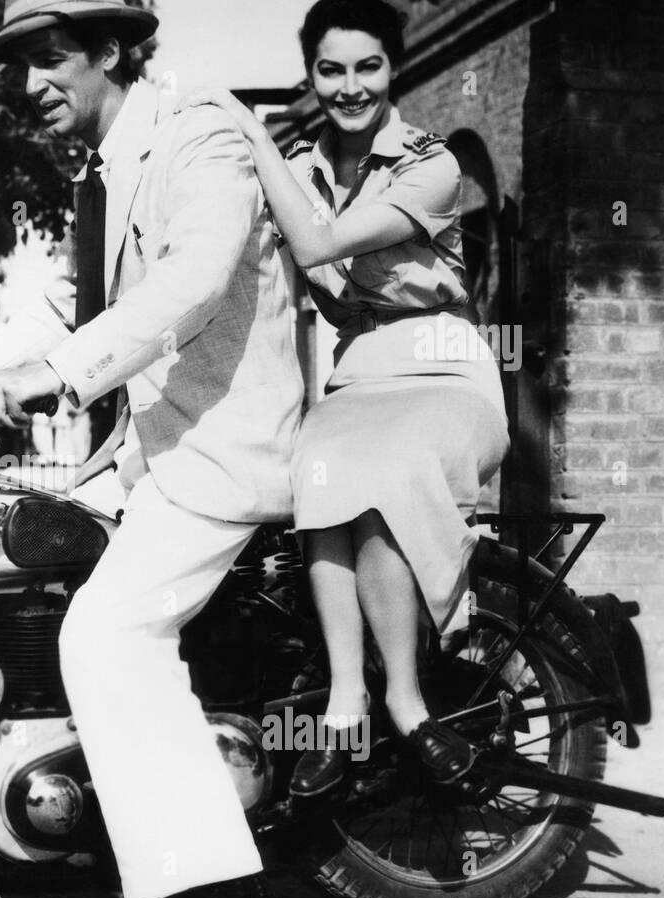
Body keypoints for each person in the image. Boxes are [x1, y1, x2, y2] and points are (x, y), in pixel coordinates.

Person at [0, 0, 305, 898]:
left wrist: (60, 374)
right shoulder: (105, 171)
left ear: (110, 50)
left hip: (223, 448)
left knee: (108, 637)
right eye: (18, 65)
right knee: (11, 555)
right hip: (151, 448)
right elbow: (69, 310)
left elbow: (192, 280)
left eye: (49, 59)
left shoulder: (198, 140)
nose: (30, 86)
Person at [187, 0, 510, 796]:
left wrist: (250, 133)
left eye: (368, 66)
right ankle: (343, 700)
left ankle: (406, 700)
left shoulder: (431, 164)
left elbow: (320, 243)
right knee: (320, 471)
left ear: (392, 69)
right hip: (359, 372)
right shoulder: (300, 170)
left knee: (389, 465)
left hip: (442, 362)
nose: (350, 86)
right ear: (311, 75)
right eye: (331, 69)